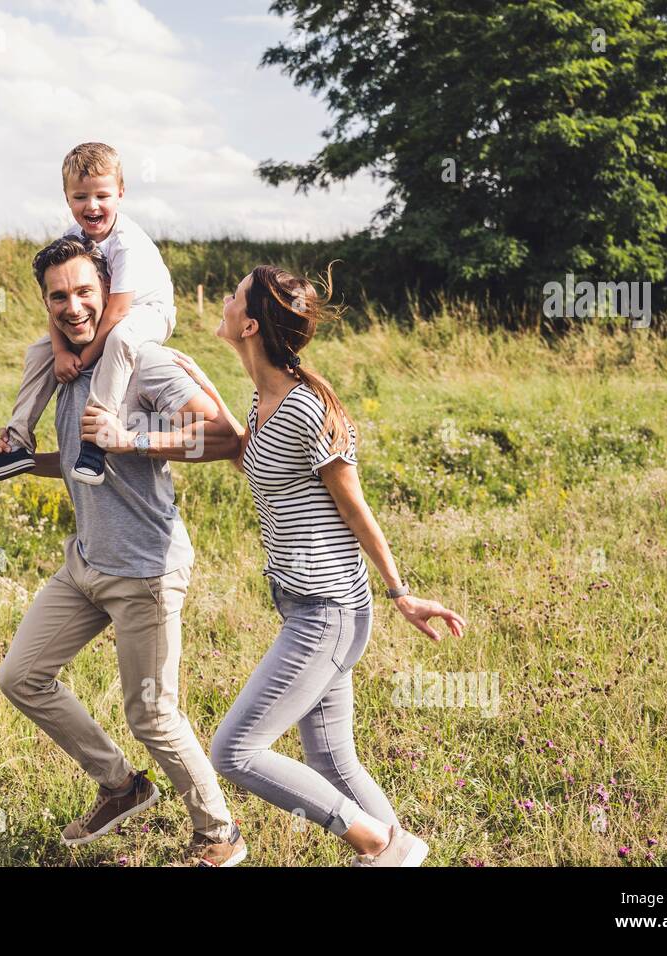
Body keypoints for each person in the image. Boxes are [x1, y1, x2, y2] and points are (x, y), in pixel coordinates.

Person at [111, 264, 467, 866]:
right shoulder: (264, 397)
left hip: (328, 612)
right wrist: (188, 417)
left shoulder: (306, 409)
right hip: (307, 605)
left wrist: (401, 591)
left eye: (234, 295)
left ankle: (378, 844)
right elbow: (252, 462)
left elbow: (355, 507)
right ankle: (397, 855)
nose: (224, 298)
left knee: (235, 751)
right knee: (331, 758)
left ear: (249, 323)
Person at [0, 236, 247, 866]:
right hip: (85, 563)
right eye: (59, 295)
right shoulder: (64, 368)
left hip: (145, 571)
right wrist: (25, 462)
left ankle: (220, 834)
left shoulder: (145, 362)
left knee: (154, 716)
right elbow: (84, 462)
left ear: (108, 295)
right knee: (21, 677)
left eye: (84, 292)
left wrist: (131, 437)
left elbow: (221, 436)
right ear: (45, 301)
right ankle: (121, 786)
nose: (73, 306)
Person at [0, 142, 176, 487]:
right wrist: (61, 352)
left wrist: (84, 356)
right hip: (101, 309)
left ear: (121, 193)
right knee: (39, 350)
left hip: (148, 312)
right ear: (67, 198)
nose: (92, 206)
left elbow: (120, 310)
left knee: (121, 338)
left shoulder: (127, 244)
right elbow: (54, 301)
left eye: (102, 196)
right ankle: (17, 440)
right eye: (80, 197)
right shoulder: (72, 239)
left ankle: (95, 437)